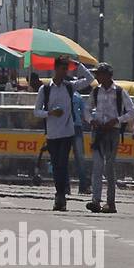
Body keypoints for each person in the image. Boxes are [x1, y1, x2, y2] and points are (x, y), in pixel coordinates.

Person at [32, 57, 93, 210]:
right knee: (56, 165)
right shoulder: (45, 89)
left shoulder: (69, 87)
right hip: (52, 133)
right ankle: (59, 193)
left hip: (67, 132)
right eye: (62, 68)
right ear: (56, 68)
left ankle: (61, 196)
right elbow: (36, 111)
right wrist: (50, 113)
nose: (65, 72)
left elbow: (89, 79)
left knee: (63, 163)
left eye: (66, 69)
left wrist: (78, 65)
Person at [84, 63, 134, 213]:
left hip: (113, 131)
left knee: (109, 167)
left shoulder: (119, 92)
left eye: (99, 74)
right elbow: (86, 109)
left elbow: (132, 112)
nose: (97, 77)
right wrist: (91, 120)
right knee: (97, 166)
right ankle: (96, 200)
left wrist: (117, 120)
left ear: (107, 75)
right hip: (98, 131)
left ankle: (110, 202)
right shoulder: (95, 92)